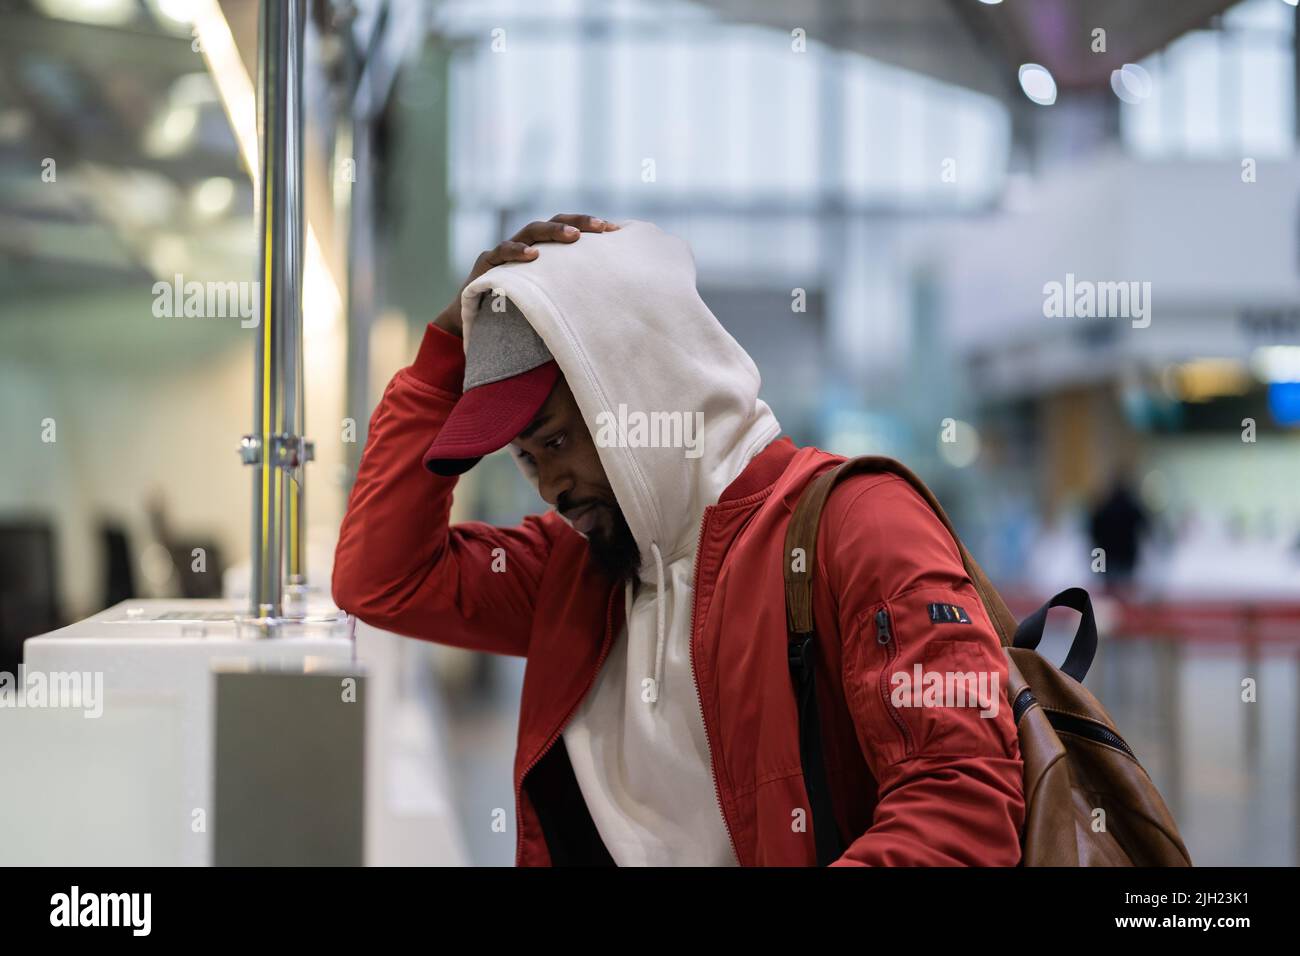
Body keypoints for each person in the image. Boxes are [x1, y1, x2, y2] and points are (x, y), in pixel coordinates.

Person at [332, 214, 1024, 866]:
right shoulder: (577, 571)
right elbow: (381, 578)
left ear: (639, 389)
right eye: (526, 457)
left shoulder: (860, 526)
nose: (549, 485)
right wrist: (448, 352)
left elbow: (962, 805)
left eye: (557, 441)